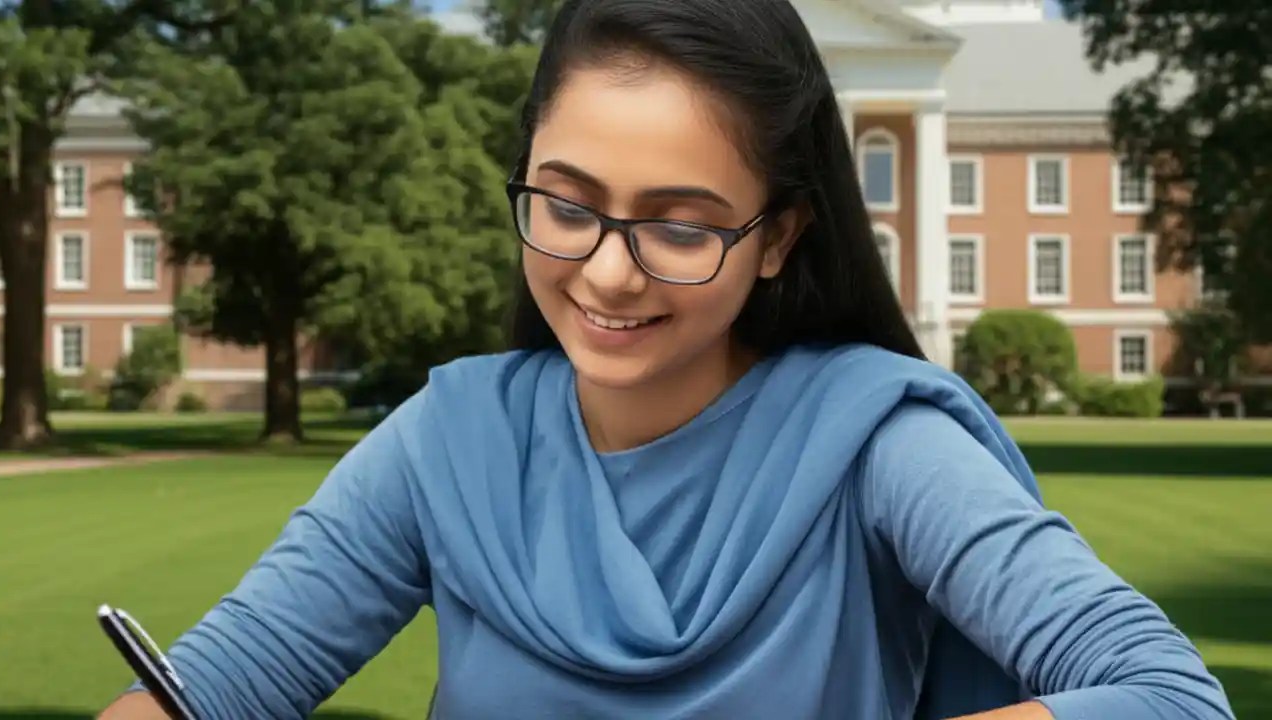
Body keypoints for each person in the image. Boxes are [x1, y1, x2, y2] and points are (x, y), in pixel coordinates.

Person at [100, 0, 1236, 718]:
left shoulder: (878, 448)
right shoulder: (445, 442)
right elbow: (219, 688)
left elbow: (1166, 694)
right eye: (566, 205)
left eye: (680, 226)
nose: (604, 274)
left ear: (780, 235)